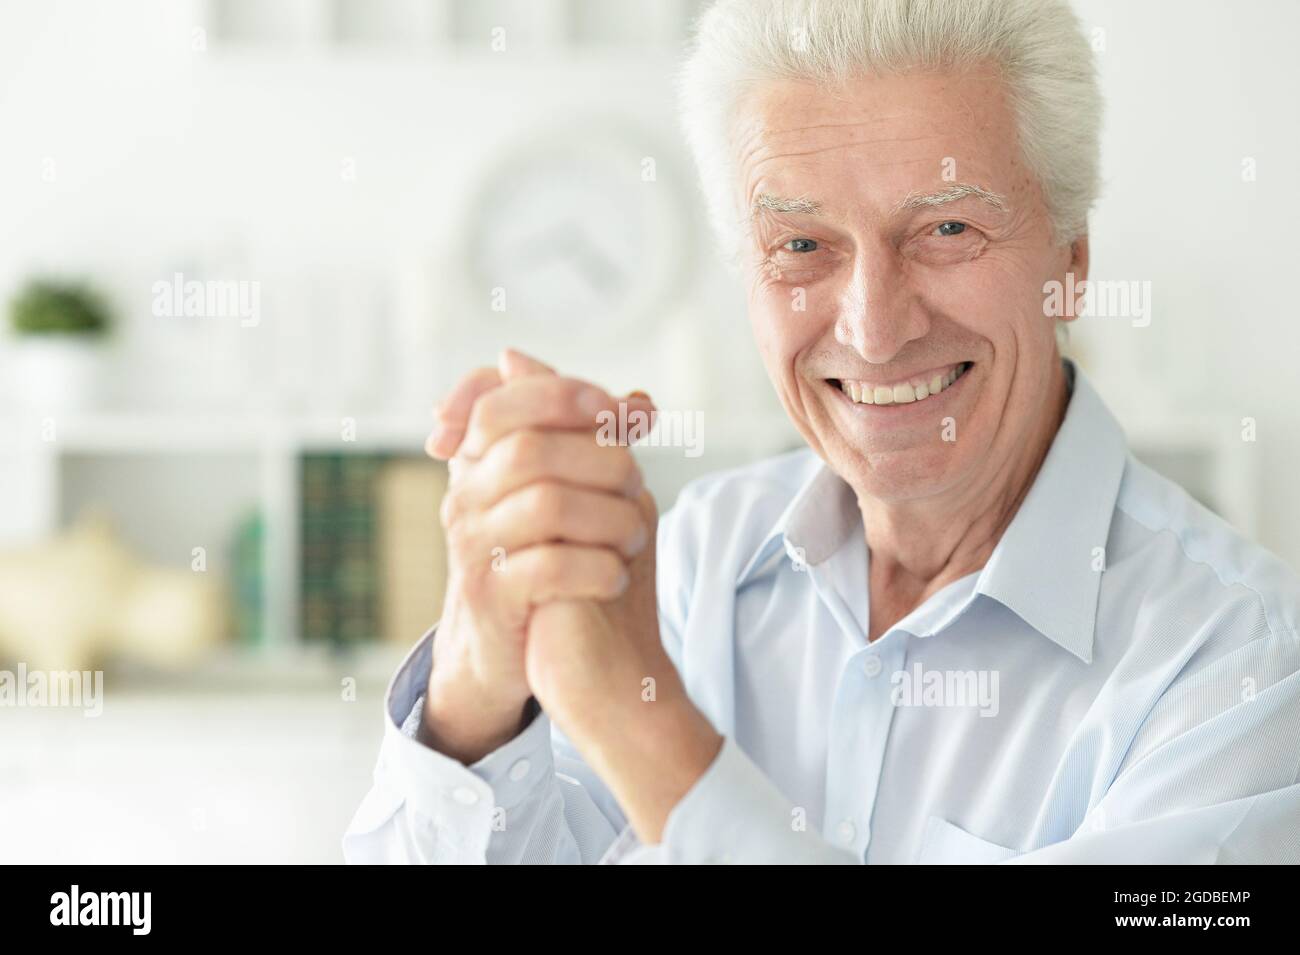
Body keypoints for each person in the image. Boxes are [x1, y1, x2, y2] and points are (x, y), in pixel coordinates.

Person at [344, 0, 1300, 864]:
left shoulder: (1245, 671)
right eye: (802, 245)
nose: (875, 328)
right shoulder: (682, 568)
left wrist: (640, 724)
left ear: (1072, 264)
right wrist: (478, 675)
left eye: (949, 229)